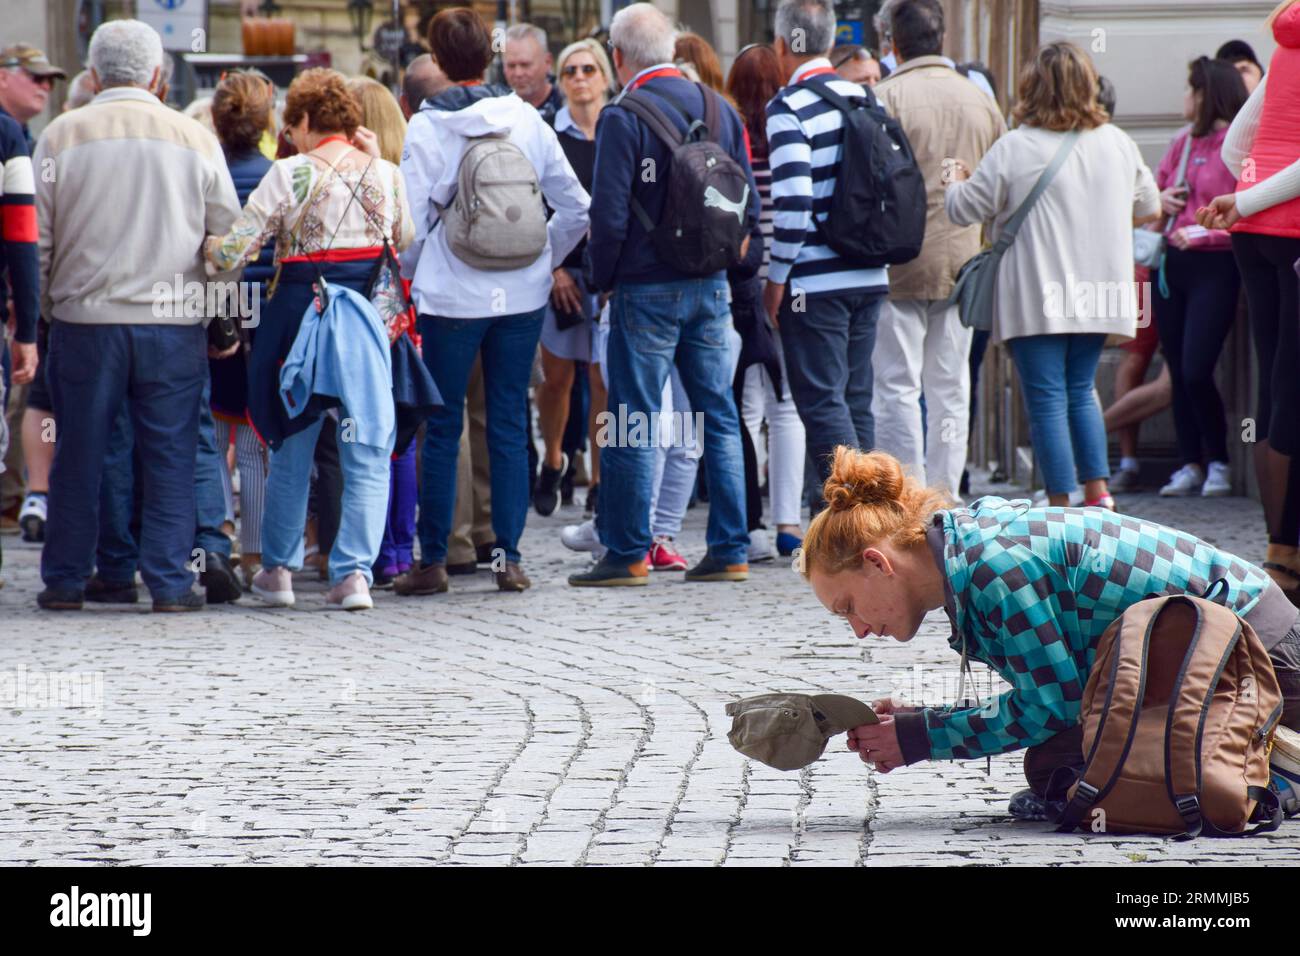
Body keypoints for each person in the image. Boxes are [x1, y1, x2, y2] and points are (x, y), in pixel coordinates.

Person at [800, 446, 1300, 818]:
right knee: (1057, 762)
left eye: (848, 608)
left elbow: (1049, 705)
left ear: (876, 562)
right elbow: (1059, 692)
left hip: (1258, 660)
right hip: (1235, 648)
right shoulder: (968, 544)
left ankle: (1274, 771)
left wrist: (920, 736)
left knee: (1060, 766)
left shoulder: (994, 569)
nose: (859, 631)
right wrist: (919, 722)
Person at [33, 19, 240, 611]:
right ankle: (171, 584)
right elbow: (225, 240)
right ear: (157, 75)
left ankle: (72, 577)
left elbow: (39, 242)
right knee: (171, 453)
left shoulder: (60, 136)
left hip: (85, 320)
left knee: (80, 449)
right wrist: (219, 313)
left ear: (94, 75)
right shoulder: (193, 138)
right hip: (173, 323)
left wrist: (48, 309)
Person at [204, 67, 412, 611]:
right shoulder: (387, 173)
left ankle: (278, 571)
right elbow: (404, 239)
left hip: (300, 315)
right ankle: (354, 577)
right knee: (366, 446)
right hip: (364, 318)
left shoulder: (290, 173)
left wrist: (208, 245)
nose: (287, 136)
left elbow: (235, 252)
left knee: (290, 443)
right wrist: (373, 156)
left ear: (302, 120)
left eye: (290, 126)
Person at [398, 7, 589, 596]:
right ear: (489, 54)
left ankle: (433, 560)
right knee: (510, 422)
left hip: (451, 297)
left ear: (437, 57)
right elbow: (577, 206)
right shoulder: (526, 119)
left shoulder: (428, 127)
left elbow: (408, 227)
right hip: (521, 296)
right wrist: (541, 258)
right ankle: (507, 558)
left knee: (442, 420)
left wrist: (415, 275)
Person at [569, 2, 756, 587]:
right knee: (717, 415)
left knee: (632, 421)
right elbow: (745, 195)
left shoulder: (623, 117)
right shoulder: (721, 109)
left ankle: (626, 552)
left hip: (645, 290)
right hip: (710, 284)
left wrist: (602, 279)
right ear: (673, 49)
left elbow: (607, 214)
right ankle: (730, 548)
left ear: (618, 58)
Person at [944, 40, 1159, 510]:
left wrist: (952, 177)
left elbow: (963, 209)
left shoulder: (1014, 146)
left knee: (1045, 398)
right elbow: (1150, 206)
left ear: (1032, 87)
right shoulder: (1118, 143)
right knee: (1081, 390)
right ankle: (1098, 494)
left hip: (1038, 291)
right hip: (1100, 289)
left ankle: (1061, 501)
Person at [869, 0, 1006, 502]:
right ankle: (945, 499)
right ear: (942, 38)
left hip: (896, 261)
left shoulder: (884, 97)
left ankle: (905, 494)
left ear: (892, 42)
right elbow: (998, 181)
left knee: (897, 384)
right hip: (963, 259)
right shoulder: (979, 99)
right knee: (951, 387)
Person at [764, 0, 889, 506]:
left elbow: (793, 201)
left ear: (781, 46)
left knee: (821, 403)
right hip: (869, 273)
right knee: (857, 400)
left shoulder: (789, 106)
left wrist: (776, 281)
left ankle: (856, 521)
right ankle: (878, 515)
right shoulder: (863, 99)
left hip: (815, 283)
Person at [1197, 1, 1300, 604]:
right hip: (1288, 230)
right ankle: (1289, 554)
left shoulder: (1286, 47)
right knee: (1294, 388)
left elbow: (1237, 145)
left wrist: (1251, 197)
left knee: (1273, 386)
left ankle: (1276, 550)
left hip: (1253, 232)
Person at [1149, 57, 1248, 499]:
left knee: (1195, 368)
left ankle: (1220, 461)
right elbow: (1155, 192)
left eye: (1191, 90)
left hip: (1215, 265)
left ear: (1207, 94)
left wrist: (1204, 232)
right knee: (1176, 362)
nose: (1185, 99)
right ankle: (1190, 462)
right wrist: (1163, 200)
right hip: (1173, 266)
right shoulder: (1181, 142)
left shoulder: (1235, 144)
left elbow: (1244, 207)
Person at [727, 42, 807, 560]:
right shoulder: (791, 127)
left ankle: (748, 524)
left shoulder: (730, 134)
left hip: (742, 283)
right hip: (791, 281)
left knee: (746, 404)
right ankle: (788, 523)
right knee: (788, 407)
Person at [533, 39, 610, 518]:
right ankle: (555, 458)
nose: (580, 78)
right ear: (559, 82)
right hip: (559, 268)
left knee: (603, 382)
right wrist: (555, 267)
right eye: (569, 71)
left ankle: (601, 480)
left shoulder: (620, 127)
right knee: (557, 379)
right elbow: (536, 203)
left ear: (604, 75)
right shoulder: (548, 133)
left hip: (607, 273)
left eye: (588, 69)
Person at [208, 69, 275, 590]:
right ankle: (253, 553)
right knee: (253, 446)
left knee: (212, 437)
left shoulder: (204, 174)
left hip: (215, 314)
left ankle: (215, 536)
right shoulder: (279, 173)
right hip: (265, 322)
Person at [0, 43, 63, 536]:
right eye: (35, 76)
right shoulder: (10, 138)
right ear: (3, 76)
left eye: (50, 80)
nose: (45, 86)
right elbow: (24, 240)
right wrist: (28, 323)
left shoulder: (26, 136)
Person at [504, 23, 564, 125]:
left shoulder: (566, 105)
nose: (518, 73)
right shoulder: (497, 111)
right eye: (511, 65)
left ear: (547, 62)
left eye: (525, 65)